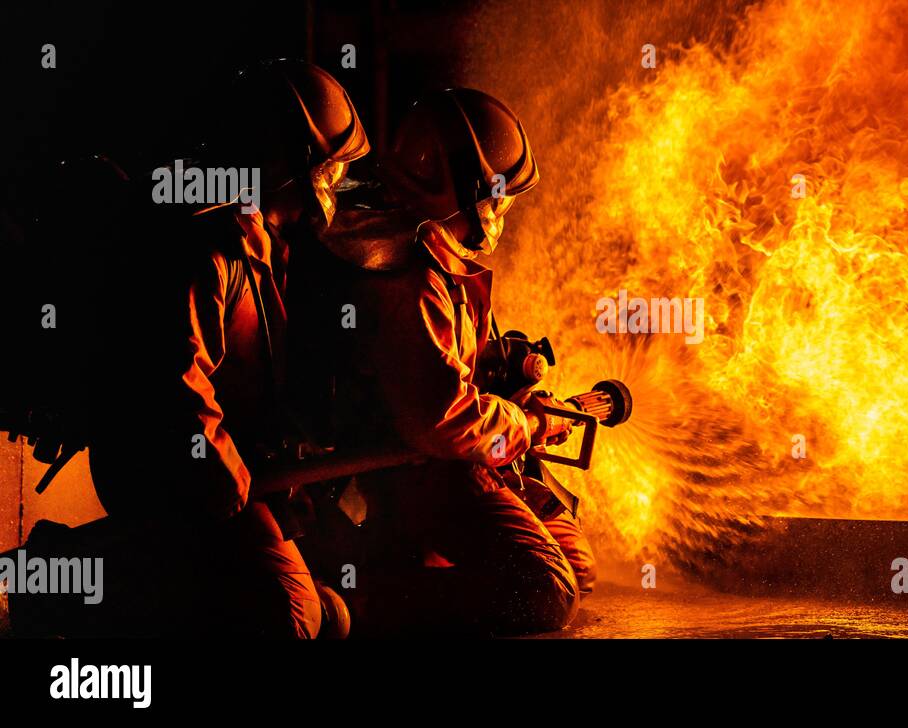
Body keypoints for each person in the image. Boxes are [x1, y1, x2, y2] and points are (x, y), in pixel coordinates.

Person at [10, 60, 369, 638]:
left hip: (228, 466)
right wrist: (227, 474)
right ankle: (56, 577)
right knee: (287, 617)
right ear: (281, 162)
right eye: (326, 169)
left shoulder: (260, 236)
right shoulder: (203, 243)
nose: (329, 187)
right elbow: (176, 386)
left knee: (332, 602)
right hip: (167, 471)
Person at [302, 88, 596, 636]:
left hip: (452, 461)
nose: (503, 215)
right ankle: (367, 595)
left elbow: (464, 366)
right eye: (499, 200)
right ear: (466, 194)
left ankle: (410, 570)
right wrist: (524, 424)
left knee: (579, 565)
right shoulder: (409, 278)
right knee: (545, 593)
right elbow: (439, 417)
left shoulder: (436, 257)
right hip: (417, 470)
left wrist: (511, 380)